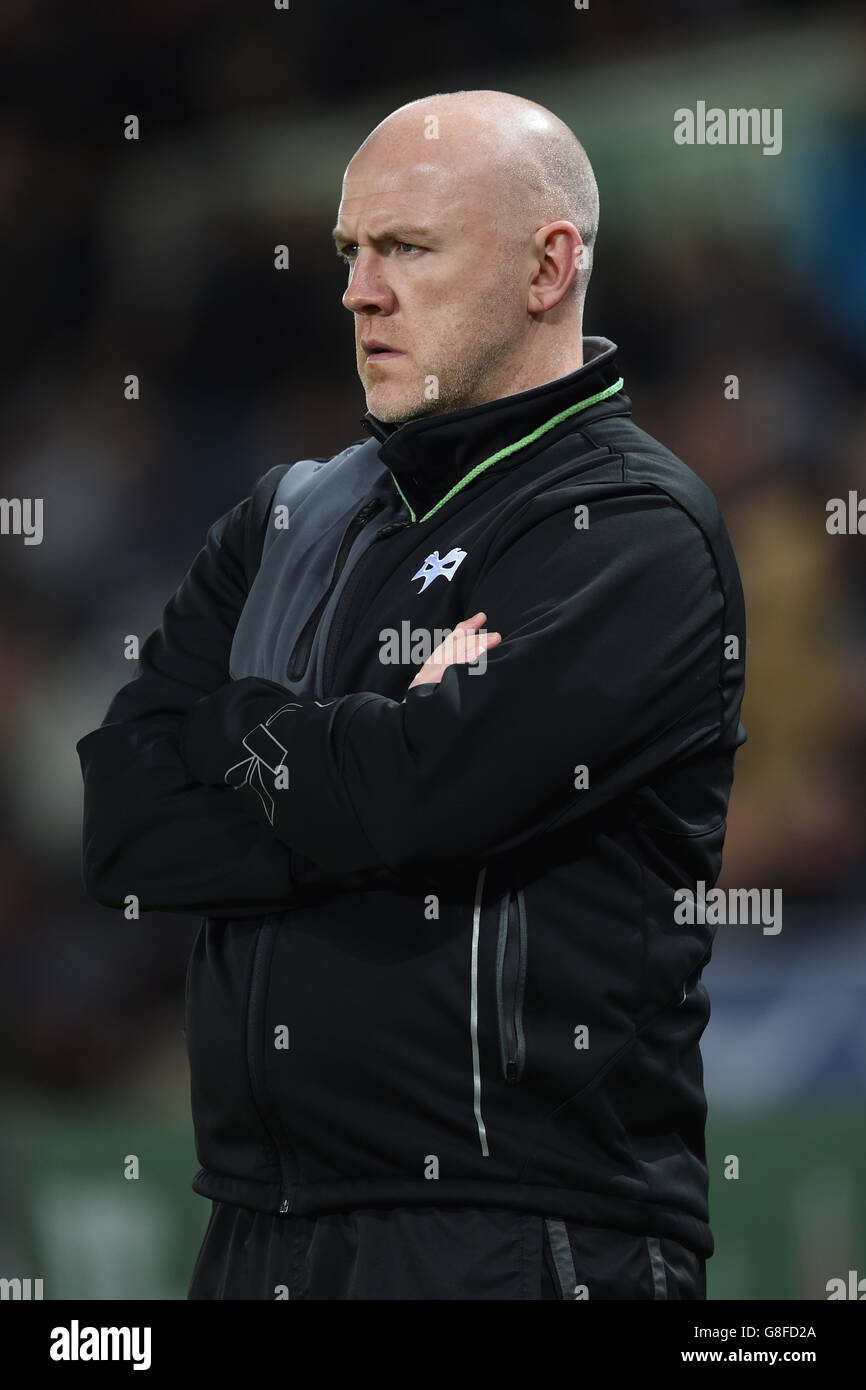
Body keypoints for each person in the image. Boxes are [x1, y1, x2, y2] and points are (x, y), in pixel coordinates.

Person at [77, 89, 747, 1300]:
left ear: (548, 267)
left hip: (520, 1237)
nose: (357, 291)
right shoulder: (289, 514)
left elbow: (405, 799)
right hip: (256, 1228)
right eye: (349, 251)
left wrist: (237, 719)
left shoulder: (632, 532)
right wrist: (352, 770)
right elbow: (128, 826)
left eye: (406, 248)